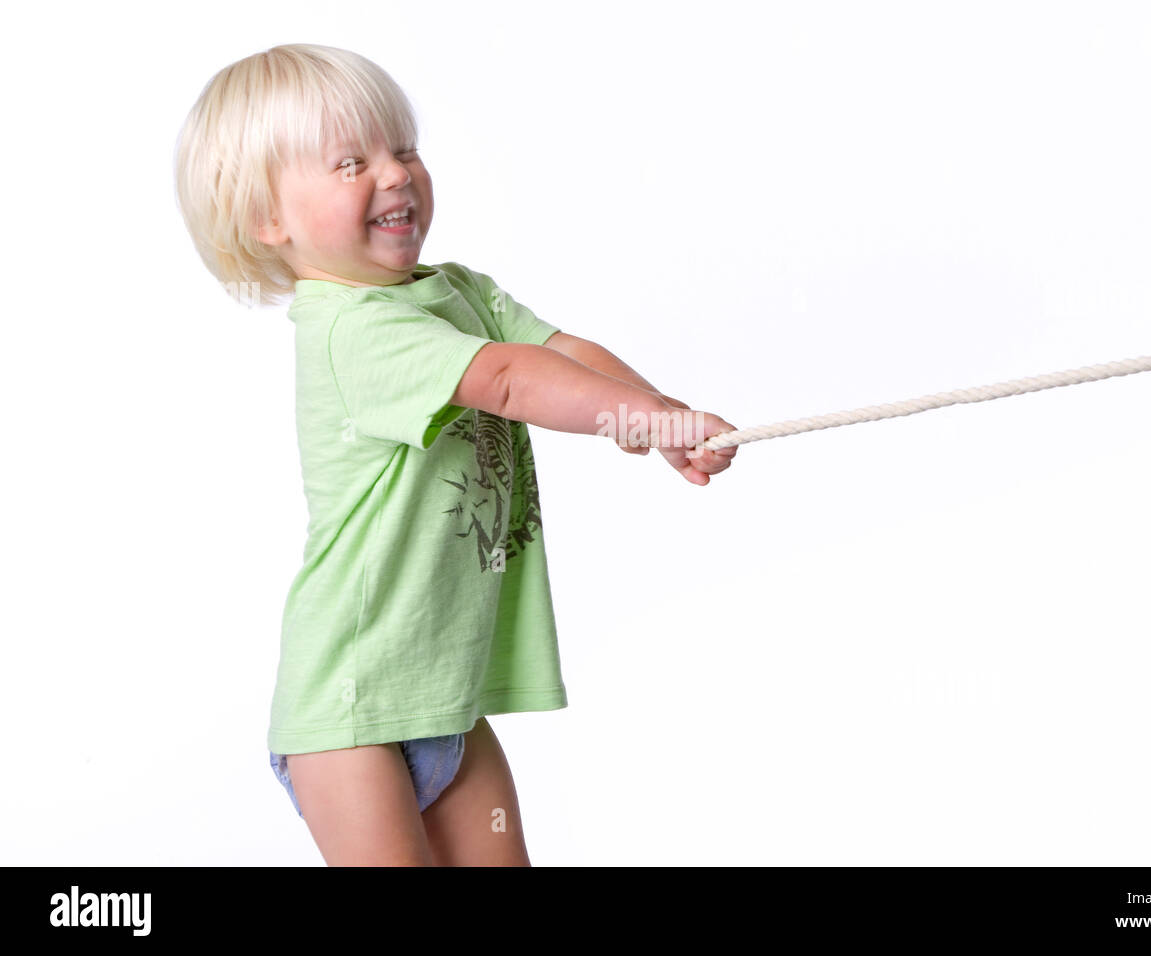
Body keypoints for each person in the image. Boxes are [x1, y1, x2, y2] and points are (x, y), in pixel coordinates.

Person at [174, 43, 738, 866]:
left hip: (448, 699)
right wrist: (646, 420)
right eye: (349, 163)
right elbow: (507, 379)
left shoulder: (459, 291)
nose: (396, 174)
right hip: (350, 711)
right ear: (271, 219)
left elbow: (559, 350)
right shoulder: (351, 331)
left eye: (403, 149)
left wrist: (660, 417)